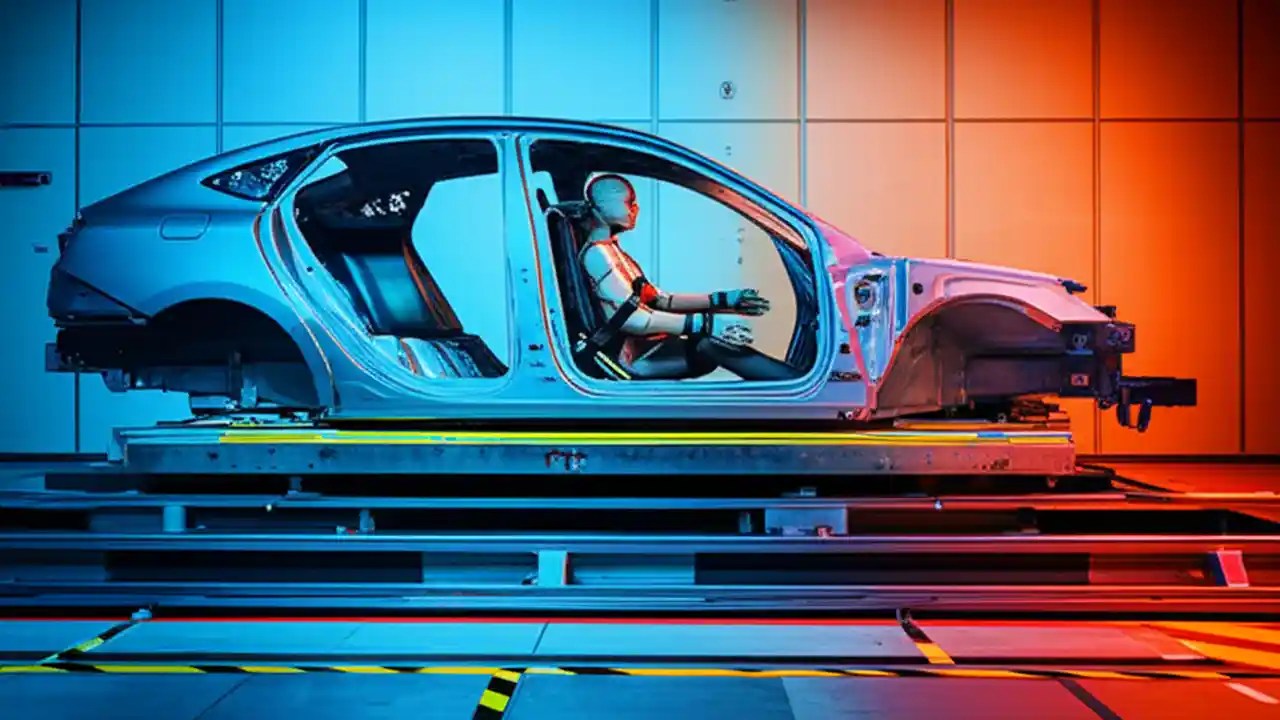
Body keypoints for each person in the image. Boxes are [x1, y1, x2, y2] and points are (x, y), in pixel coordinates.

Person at [577, 172, 793, 380]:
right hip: (632, 357)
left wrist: (725, 300)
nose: (635, 208)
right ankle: (789, 384)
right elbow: (633, 320)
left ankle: (788, 382)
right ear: (601, 206)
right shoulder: (598, 255)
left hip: (641, 346)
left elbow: (661, 300)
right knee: (709, 344)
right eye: (627, 201)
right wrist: (705, 323)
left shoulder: (611, 251)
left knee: (710, 343)